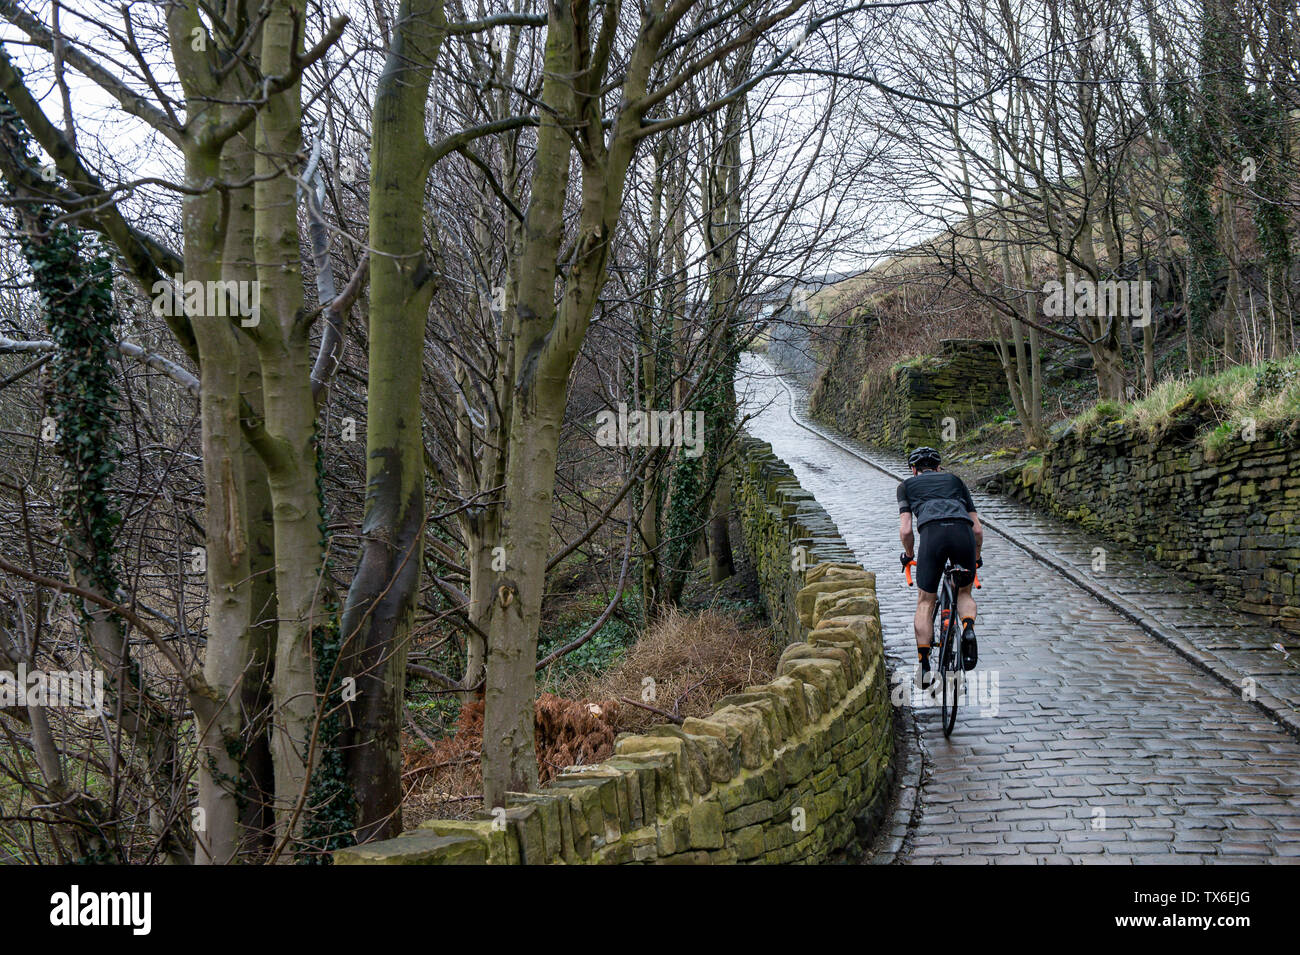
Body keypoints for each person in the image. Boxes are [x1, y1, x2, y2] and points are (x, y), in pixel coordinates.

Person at [897, 446, 983, 688]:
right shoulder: (956, 481)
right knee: (964, 592)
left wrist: (910, 554)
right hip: (962, 532)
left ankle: (924, 664)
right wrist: (976, 557)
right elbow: (977, 529)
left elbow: (905, 530)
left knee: (925, 601)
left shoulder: (906, 486)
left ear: (914, 470)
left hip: (932, 535)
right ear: (938, 467)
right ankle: (967, 629)